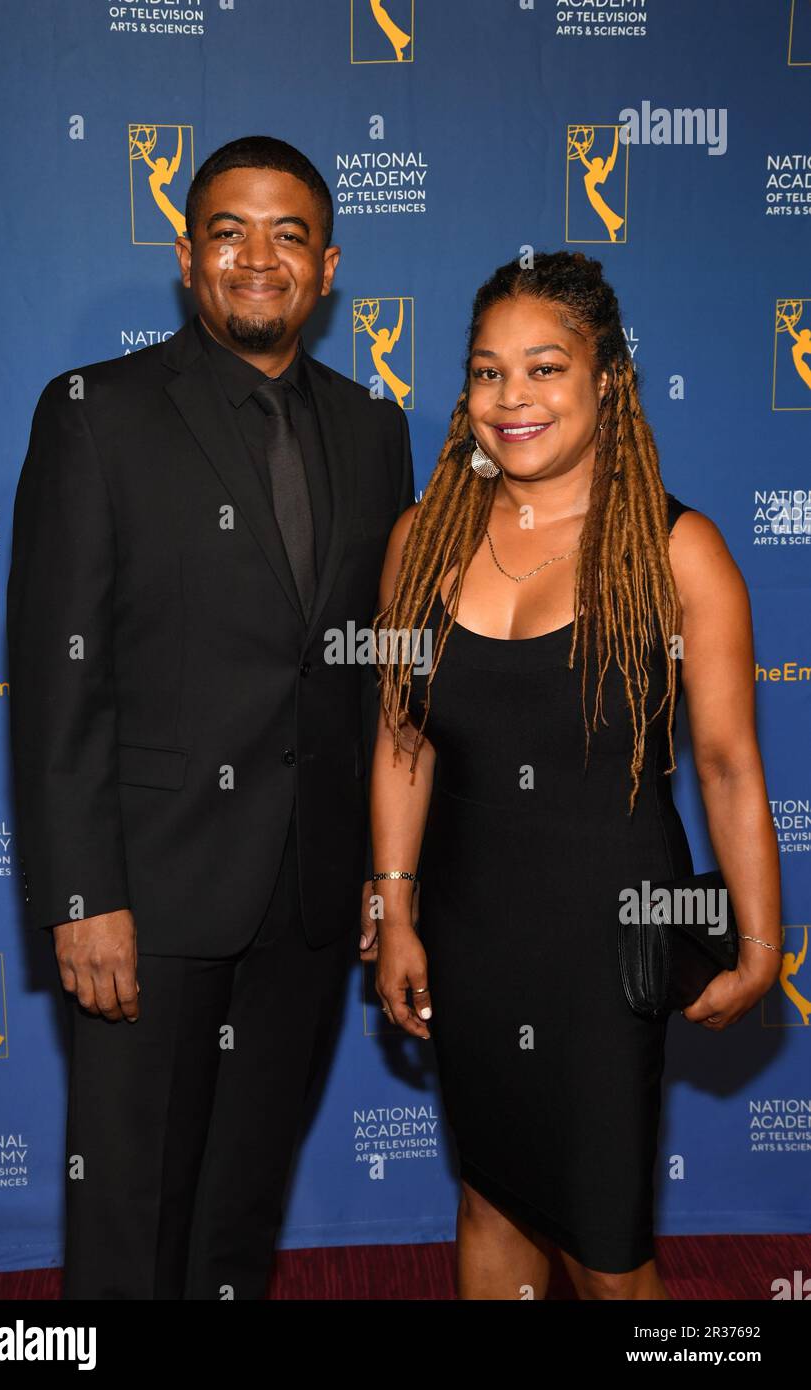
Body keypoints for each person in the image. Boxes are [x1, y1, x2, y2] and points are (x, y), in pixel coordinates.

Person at [6, 135, 414, 1300]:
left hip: (305, 897)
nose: (258, 256)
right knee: (131, 1216)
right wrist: (87, 895)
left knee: (239, 1213)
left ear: (326, 268)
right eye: (229, 230)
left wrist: (387, 880)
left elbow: (382, 675)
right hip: (152, 894)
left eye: (288, 234)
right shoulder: (97, 412)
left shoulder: (372, 429)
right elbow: (56, 676)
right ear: (188, 258)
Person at [362, 251, 782, 1301]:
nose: (513, 399)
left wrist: (761, 943)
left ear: (606, 382)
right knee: (490, 1198)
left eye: (544, 368)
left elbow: (728, 767)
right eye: (488, 372)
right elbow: (401, 740)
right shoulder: (422, 539)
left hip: (613, 933)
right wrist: (398, 908)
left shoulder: (679, 552)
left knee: (604, 1249)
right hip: (468, 926)